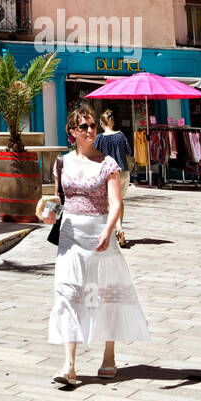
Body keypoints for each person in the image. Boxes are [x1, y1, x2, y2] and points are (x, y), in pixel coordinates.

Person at [46, 105, 149, 386]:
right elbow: (58, 199)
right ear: (72, 132)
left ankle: (109, 354)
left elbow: (117, 202)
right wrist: (45, 211)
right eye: (84, 127)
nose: (91, 130)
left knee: (104, 295)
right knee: (68, 294)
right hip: (69, 236)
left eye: (92, 125)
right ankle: (68, 364)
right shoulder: (61, 162)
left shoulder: (108, 164)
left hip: (98, 232)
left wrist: (109, 230)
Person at [95, 110, 134, 249]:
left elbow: (94, 156)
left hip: (108, 175)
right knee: (119, 202)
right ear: (113, 121)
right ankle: (120, 228)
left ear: (101, 123)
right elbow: (129, 151)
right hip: (123, 173)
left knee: (110, 202)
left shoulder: (99, 138)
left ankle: (117, 230)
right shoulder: (121, 135)